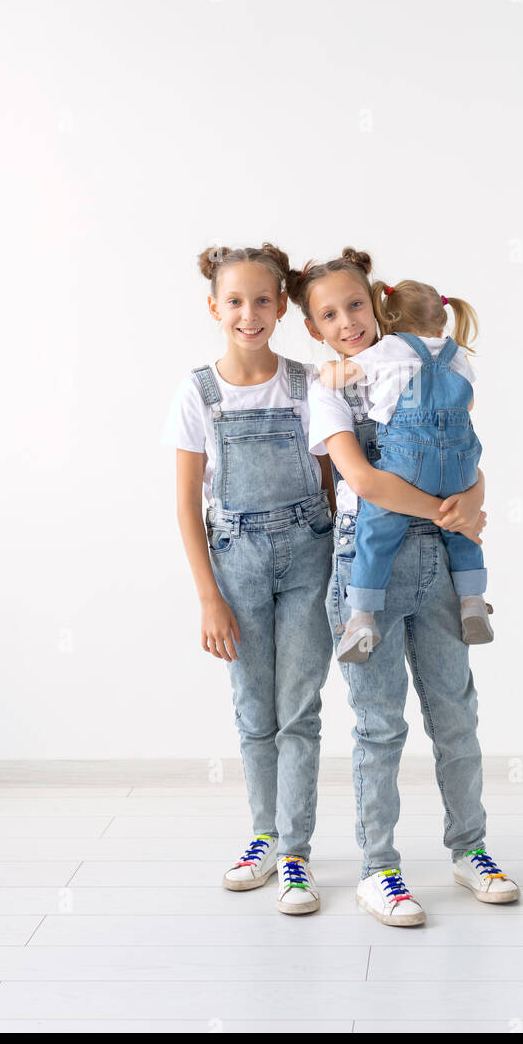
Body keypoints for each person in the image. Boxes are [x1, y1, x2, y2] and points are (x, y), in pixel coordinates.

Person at [289, 246, 520, 926]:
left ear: (379, 306)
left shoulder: (422, 363)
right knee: (380, 722)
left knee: (456, 712)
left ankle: (469, 847)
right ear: (315, 327)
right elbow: (362, 481)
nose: (347, 321)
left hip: (443, 565)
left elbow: (466, 452)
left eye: (356, 306)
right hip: (372, 561)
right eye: (330, 314)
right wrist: (451, 509)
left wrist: (473, 498)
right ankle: (378, 868)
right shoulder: (330, 386)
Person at [161, 242, 335, 915]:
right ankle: (263, 834)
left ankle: (296, 852)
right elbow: (184, 505)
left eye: (263, 299)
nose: (249, 313)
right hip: (235, 562)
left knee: (299, 706)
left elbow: (330, 479)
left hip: (308, 555)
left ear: (283, 306)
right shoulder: (196, 392)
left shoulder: (307, 383)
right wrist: (209, 598)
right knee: (251, 706)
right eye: (235, 300)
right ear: (213, 307)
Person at [318, 278, 493, 661]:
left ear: (390, 321)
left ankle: (362, 616)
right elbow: (469, 402)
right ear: (442, 323)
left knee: (377, 529)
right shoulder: (456, 353)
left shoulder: (389, 349)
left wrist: (330, 369)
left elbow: (337, 378)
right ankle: (473, 602)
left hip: (411, 461)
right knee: (463, 535)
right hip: (462, 462)